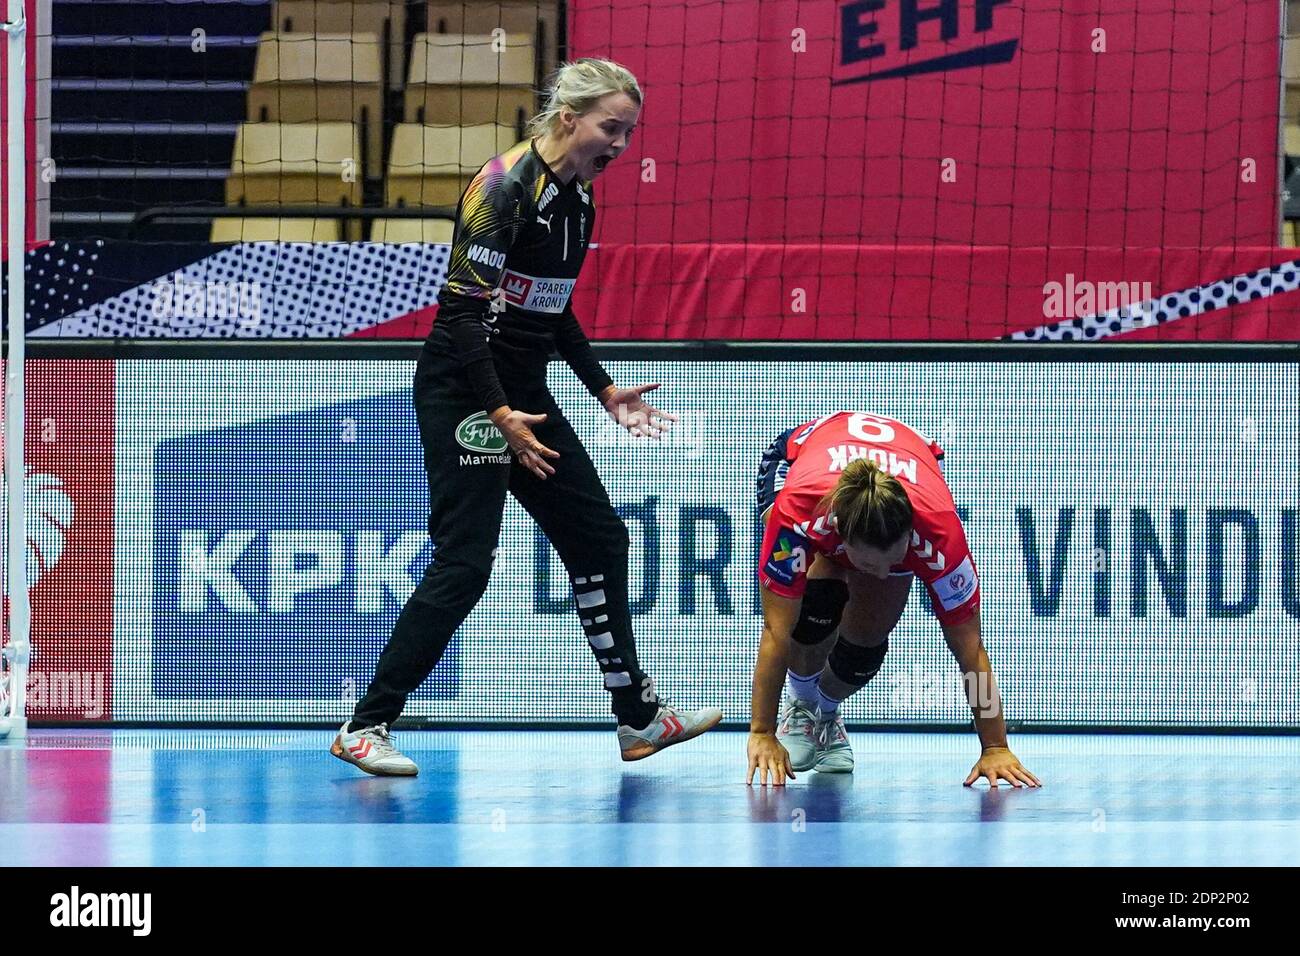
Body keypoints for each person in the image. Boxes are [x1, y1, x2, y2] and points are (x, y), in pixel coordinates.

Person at [332, 58, 722, 776]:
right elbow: (459, 316)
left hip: (524, 399)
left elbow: (552, 306)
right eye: (611, 128)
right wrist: (498, 410)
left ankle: (637, 720)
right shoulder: (502, 188)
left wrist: (604, 389)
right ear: (569, 116)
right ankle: (367, 724)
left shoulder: (577, 201)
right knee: (466, 562)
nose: (619, 146)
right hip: (466, 393)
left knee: (600, 538)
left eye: (630, 134)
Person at [745, 411, 1040, 788]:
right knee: (817, 603)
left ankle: (827, 715)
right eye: (868, 563)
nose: (881, 573)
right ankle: (801, 705)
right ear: (841, 536)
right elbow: (775, 632)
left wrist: (995, 746)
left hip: (906, 470)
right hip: (800, 465)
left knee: (863, 649)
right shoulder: (798, 515)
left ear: (909, 536)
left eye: (894, 561)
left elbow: (971, 650)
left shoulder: (940, 535)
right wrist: (763, 733)